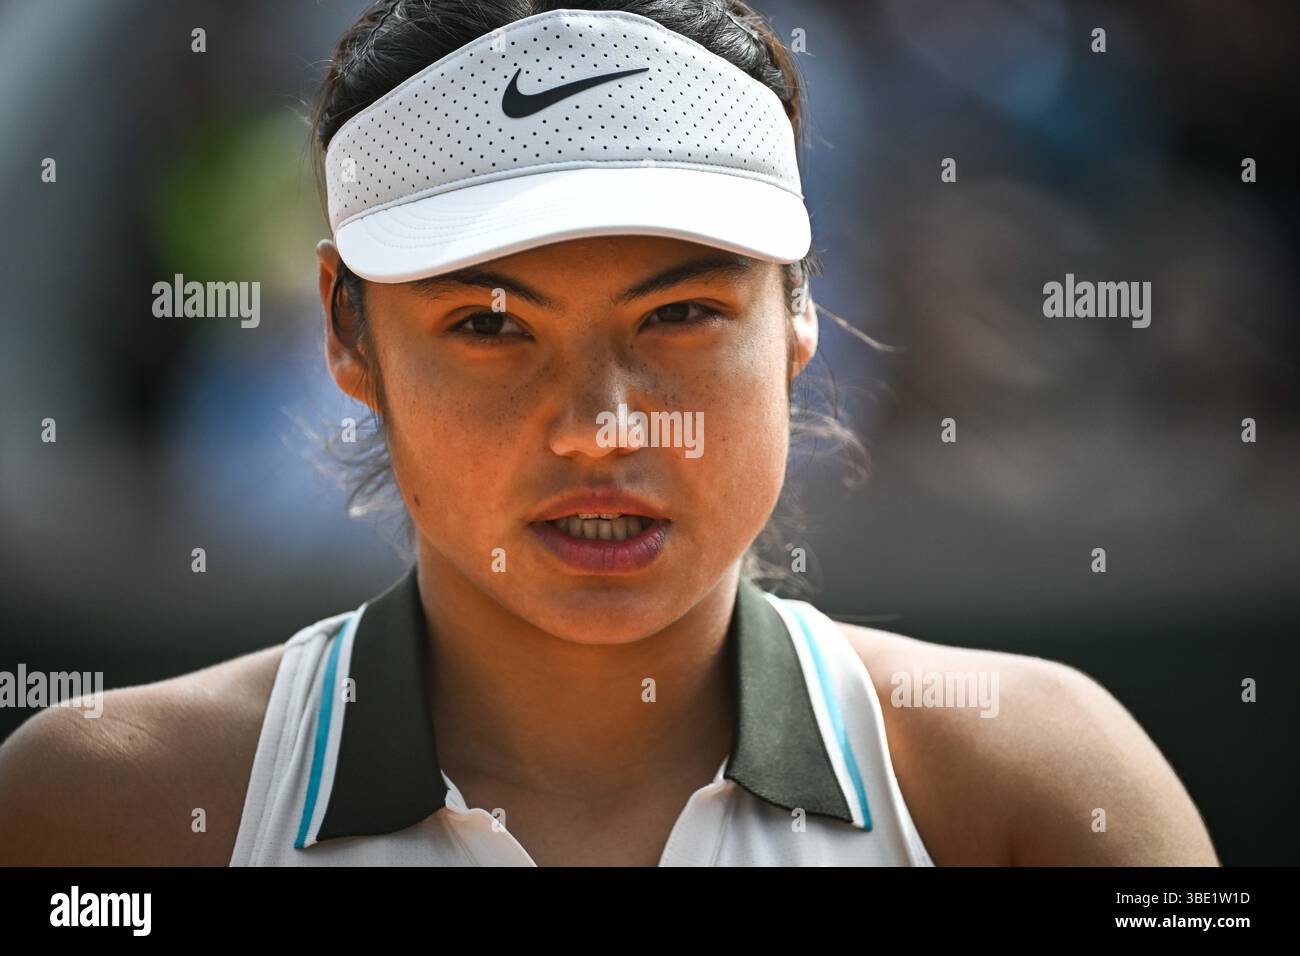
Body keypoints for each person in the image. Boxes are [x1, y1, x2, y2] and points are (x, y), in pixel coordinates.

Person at [0, 0, 1218, 867]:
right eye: (490, 324)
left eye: (680, 314)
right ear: (346, 331)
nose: (600, 429)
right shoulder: (104, 811)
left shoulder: (1044, 792)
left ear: (799, 310)